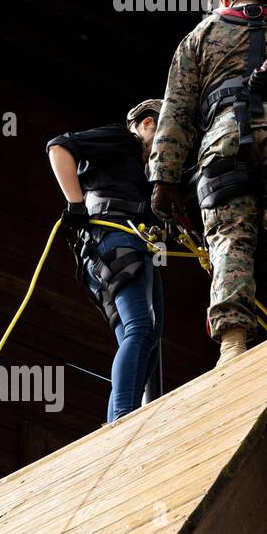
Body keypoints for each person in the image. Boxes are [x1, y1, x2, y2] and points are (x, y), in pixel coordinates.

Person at [148, 0, 267, 366]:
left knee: (230, 238)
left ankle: (233, 342)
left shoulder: (199, 36)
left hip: (224, 145)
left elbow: (176, 113)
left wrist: (164, 178)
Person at [47, 99, 165, 421]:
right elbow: (59, 148)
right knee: (140, 327)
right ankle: (122, 418)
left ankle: (119, 420)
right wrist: (75, 205)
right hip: (113, 239)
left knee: (148, 336)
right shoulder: (124, 140)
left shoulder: (146, 174)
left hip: (131, 248)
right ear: (148, 124)